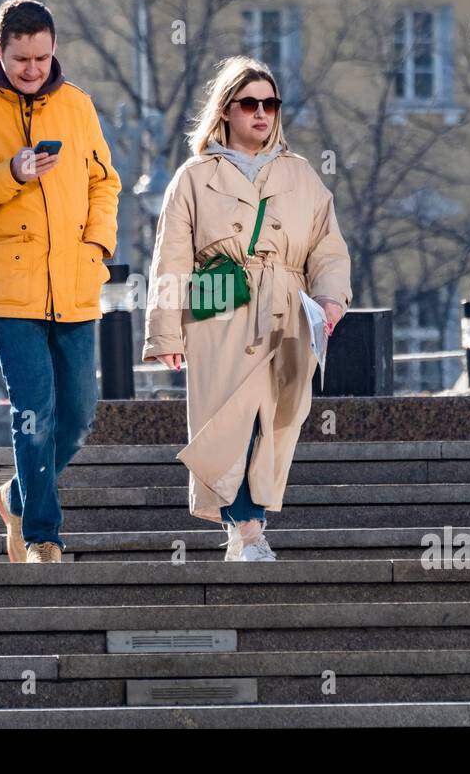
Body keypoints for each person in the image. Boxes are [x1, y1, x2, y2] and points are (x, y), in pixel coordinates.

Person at [142, 56, 352, 561]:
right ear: (227, 110)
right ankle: (250, 533)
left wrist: (330, 297)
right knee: (230, 420)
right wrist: (166, 334)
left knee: (278, 418)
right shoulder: (193, 177)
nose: (262, 113)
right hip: (219, 299)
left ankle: (244, 532)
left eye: (270, 103)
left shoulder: (302, 176)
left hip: (286, 304)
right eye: (250, 103)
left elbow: (328, 246)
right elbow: (171, 258)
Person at [0, 0, 121, 564]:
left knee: (81, 413)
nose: (33, 69)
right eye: (21, 59)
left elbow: (104, 182)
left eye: (42, 57)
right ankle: (44, 536)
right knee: (34, 409)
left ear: (53, 49)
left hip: (76, 282)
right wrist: (9, 174)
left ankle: (16, 497)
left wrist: (97, 246)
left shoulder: (78, 106)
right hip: (9, 288)